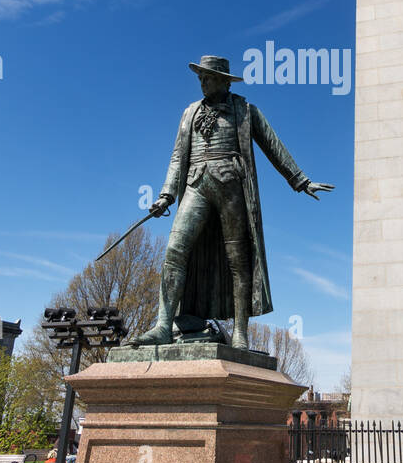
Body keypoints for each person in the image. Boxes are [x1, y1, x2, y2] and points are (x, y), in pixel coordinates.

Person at [136, 55, 333, 351]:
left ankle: (240, 331)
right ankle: (164, 325)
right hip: (195, 183)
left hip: (232, 186)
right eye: (200, 78)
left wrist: (300, 181)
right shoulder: (189, 112)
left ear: (225, 80)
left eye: (208, 77)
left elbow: (273, 145)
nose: (202, 83)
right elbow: (178, 156)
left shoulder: (245, 110)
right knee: (175, 249)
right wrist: (166, 195)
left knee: (238, 261)